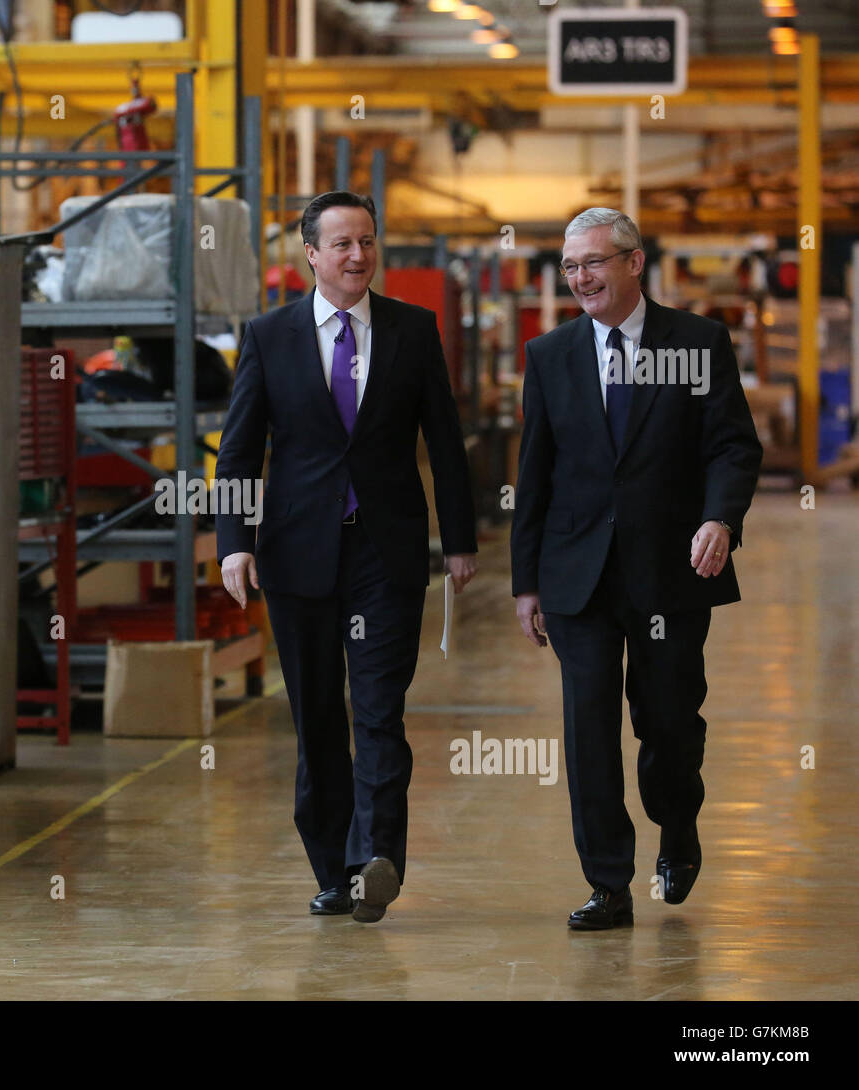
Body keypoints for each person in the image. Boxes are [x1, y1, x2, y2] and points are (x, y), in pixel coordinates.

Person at [216, 191, 478, 923]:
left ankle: (374, 861)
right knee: (318, 723)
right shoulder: (269, 336)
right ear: (310, 256)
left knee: (379, 713)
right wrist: (234, 544)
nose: (358, 256)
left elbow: (446, 446)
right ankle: (332, 868)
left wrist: (458, 540)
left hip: (386, 553)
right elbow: (238, 451)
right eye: (342, 245)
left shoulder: (412, 331)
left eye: (367, 242)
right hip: (297, 554)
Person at [511, 208, 762, 930]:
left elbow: (732, 447)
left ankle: (677, 831)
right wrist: (526, 582)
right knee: (588, 728)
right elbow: (537, 475)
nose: (581, 278)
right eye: (570, 267)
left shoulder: (698, 342)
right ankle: (608, 883)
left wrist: (720, 517)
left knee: (669, 725)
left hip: (670, 571)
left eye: (594, 263)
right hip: (576, 576)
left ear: (633, 263)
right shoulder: (549, 354)